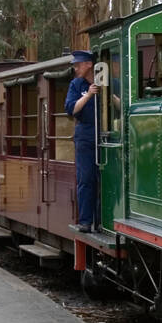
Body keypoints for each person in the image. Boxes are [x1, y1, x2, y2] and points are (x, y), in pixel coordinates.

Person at [64, 50, 98, 231]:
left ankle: (102, 221)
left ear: (89, 64)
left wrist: (109, 94)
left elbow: (119, 105)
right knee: (86, 179)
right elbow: (71, 110)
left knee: (104, 180)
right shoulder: (76, 85)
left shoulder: (108, 82)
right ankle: (85, 221)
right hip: (85, 136)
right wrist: (88, 95)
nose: (76, 68)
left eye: (78, 65)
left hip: (104, 135)